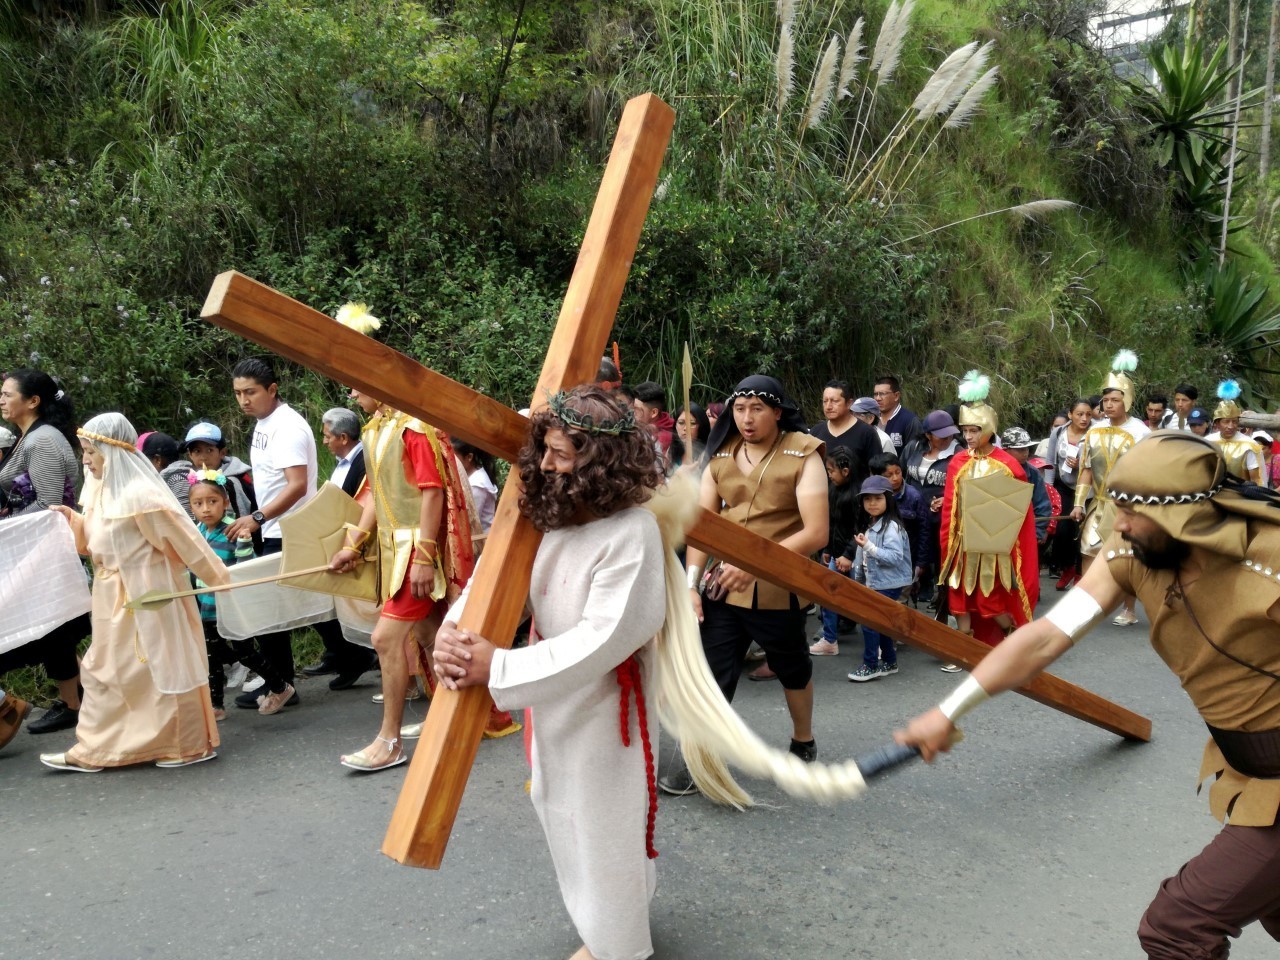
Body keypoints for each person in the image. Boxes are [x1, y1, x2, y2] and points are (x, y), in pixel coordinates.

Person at [898, 431, 1280, 960]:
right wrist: (948, 710)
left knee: (1177, 927)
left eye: (1131, 511)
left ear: (1182, 516)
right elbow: (1046, 637)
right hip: (1248, 766)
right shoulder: (1131, 551)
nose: (1117, 524)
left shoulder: (1269, 558)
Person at [432, 385, 667, 960]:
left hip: (606, 708)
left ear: (601, 462)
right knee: (560, 814)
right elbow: (492, 580)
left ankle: (620, 949)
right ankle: (608, 928)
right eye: (546, 450)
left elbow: (603, 639)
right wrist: (453, 634)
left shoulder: (632, 531)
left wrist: (499, 665)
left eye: (562, 455)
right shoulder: (547, 516)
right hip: (551, 698)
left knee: (603, 828)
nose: (546, 465)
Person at [665, 373, 827, 792]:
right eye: (739, 409)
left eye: (757, 409)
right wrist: (691, 585)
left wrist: (756, 566)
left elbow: (816, 532)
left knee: (792, 668)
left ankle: (803, 740)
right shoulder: (720, 455)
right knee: (712, 672)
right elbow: (703, 527)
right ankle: (700, 759)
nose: (747, 418)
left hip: (780, 587)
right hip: (723, 585)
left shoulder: (804, 453)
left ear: (777, 411)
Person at [40, 413, 226, 771]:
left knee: (160, 667)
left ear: (112, 451)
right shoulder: (101, 490)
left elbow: (187, 542)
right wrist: (73, 520)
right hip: (111, 597)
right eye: (84, 451)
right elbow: (99, 541)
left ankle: (183, 745)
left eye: (91, 451)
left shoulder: (141, 495)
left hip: (149, 595)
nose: (85, 460)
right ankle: (100, 748)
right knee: (107, 672)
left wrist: (220, 579)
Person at [329, 386, 489, 771]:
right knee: (431, 633)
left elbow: (433, 493)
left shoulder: (415, 427)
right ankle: (456, 717)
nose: (351, 392)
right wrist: (353, 545)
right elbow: (376, 496)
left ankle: (390, 742)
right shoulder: (374, 429)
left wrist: (424, 556)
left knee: (385, 639)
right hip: (393, 552)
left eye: (356, 384)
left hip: (416, 553)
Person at [225, 357, 318, 707]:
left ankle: (280, 684)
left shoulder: (287, 427)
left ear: (273, 389)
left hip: (289, 528)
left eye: (250, 392)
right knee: (301, 598)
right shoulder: (265, 422)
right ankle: (349, 656)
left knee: (269, 609)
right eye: (238, 393)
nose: (243, 400)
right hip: (274, 526)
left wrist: (258, 517)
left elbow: (296, 485)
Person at [0, 369, 86, 734]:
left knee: (53, 626)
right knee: (55, 628)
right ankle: (77, 700)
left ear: (33, 401)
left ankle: (73, 703)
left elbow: (51, 505)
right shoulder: (30, 437)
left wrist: (7, 525)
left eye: (7, 394)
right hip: (36, 549)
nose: (1, 400)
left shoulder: (44, 440)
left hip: (47, 548)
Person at [937, 371, 1039, 655]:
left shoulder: (1008, 465)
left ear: (989, 429)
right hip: (962, 544)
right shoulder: (958, 462)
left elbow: (1016, 512)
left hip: (993, 546)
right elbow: (950, 508)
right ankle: (964, 650)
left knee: (989, 599)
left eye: (974, 431)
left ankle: (1012, 638)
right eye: (965, 431)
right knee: (958, 596)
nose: (968, 437)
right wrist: (947, 545)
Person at [185, 469, 288, 718]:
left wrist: (244, 542)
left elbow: (245, 567)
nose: (206, 509)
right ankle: (216, 706)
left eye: (212, 501)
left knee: (245, 653)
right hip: (207, 606)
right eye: (198, 503)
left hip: (232, 605)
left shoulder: (234, 529)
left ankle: (281, 687)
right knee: (211, 657)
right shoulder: (197, 531)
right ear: (191, 507)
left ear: (225, 502)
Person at [299, 406, 379, 689]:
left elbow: (361, 507)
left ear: (343, 437)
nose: (324, 441)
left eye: (327, 436)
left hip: (357, 544)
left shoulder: (363, 462)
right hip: (339, 541)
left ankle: (358, 656)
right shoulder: (344, 462)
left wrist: (352, 545)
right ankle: (341, 653)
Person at [1070, 352, 1150, 627]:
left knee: (1126, 556)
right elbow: (1086, 469)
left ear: (1127, 400)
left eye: (1115, 399)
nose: (1109, 404)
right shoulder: (1094, 431)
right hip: (1100, 502)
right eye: (1106, 400)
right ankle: (1087, 607)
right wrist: (1078, 503)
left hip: (1127, 505)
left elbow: (1145, 473)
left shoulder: (1140, 432)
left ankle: (1128, 609)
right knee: (1087, 550)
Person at [846, 476, 914, 682]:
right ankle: (890, 662)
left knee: (870, 622)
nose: (872, 503)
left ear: (888, 500)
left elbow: (894, 558)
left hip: (888, 583)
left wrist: (869, 547)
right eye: (867, 499)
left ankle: (870, 665)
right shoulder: (873, 524)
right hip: (878, 583)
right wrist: (859, 580)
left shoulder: (891, 527)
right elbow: (863, 558)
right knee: (882, 623)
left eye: (877, 498)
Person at [901, 409, 962, 607]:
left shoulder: (959, 453)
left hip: (942, 519)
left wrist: (947, 498)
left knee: (941, 556)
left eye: (950, 433)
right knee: (916, 554)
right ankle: (917, 592)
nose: (947, 438)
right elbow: (901, 474)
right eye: (941, 435)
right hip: (913, 516)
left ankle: (943, 597)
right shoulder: (913, 448)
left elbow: (967, 486)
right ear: (928, 435)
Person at [810, 446, 861, 656]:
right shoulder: (833, 490)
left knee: (865, 600)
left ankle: (880, 644)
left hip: (855, 557)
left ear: (846, 471)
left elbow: (861, 529)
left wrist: (848, 555)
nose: (829, 475)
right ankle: (830, 639)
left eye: (831, 471)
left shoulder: (858, 494)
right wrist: (828, 548)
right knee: (828, 594)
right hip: (836, 553)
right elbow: (832, 523)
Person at [1046, 398, 1092, 590]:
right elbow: (1051, 461)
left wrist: (1081, 464)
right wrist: (1049, 489)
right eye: (1080, 414)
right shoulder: (1059, 432)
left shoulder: (1095, 433)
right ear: (1070, 415)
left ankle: (1081, 574)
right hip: (1064, 486)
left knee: (1082, 533)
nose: (1084, 418)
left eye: (1088, 414)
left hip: (1088, 490)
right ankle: (1068, 568)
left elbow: (1098, 463)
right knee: (1062, 531)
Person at [869, 451, 928, 596]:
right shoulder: (871, 497)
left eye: (898, 472)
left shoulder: (914, 497)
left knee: (899, 600)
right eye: (888, 475)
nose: (895, 478)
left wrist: (921, 562)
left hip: (905, 560)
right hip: (877, 559)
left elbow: (924, 531)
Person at [809, 380, 883, 486]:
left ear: (849, 403)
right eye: (825, 401)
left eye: (835, 401)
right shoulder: (816, 432)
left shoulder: (867, 433)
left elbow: (877, 473)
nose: (828, 406)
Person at [183, 421, 256, 521]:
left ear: (222, 453)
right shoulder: (197, 478)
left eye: (209, 450)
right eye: (197, 451)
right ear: (190, 455)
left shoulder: (231, 482)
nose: (203, 457)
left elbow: (240, 518)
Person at [1000, 427, 1053, 545]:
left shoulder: (1033, 474)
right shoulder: (993, 469)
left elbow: (1043, 506)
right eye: (1020, 450)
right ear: (1005, 450)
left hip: (1025, 531)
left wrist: (1037, 532)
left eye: (1027, 448)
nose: (1025, 453)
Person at [1207, 380, 1265, 485]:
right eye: (1226, 422)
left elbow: (1256, 480)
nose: (1231, 426)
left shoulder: (1249, 445)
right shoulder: (1208, 442)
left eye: (1234, 421)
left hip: (1241, 492)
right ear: (1217, 423)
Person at [141, 433, 194, 520]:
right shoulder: (173, 478)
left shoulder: (177, 480)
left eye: (146, 462)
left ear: (157, 460)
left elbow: (188, 519)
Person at [452, 439, 498, 531]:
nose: (451, 461)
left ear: (469, 457)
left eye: (454, 458)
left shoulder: (477, 485)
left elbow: (470, 521)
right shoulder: (471, 476)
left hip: (481, 538)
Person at [873, 375, 922, 456]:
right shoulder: (871, 419)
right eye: (875, 394)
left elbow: (914, 455)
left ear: (896, 396)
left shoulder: (910, 421)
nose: (878, 398)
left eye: (882, 394)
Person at [632, 381, 675, 456]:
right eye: (633, 408)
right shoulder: (666, 422)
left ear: (654, 412)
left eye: (637, 409)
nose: (633, 412)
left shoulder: (661, 439)